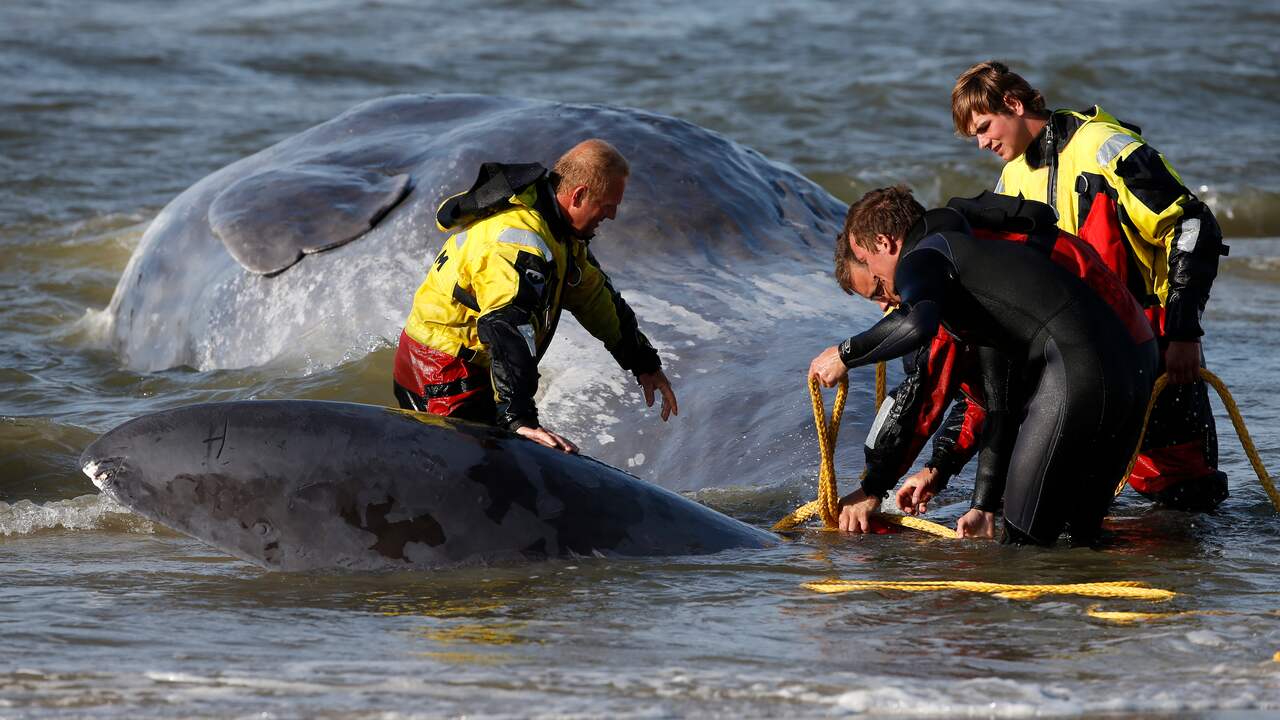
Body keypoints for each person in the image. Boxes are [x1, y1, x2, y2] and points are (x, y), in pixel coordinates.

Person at [939, 60, 1229, 511]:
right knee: (1076, 508)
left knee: (1185, 504)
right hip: (1076, 365)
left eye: (984, 127)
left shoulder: (1102, 146)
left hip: (1154, 352)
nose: (981, 143)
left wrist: (1184, 332)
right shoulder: (1011, 178)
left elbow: (1193, 225)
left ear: (1013, 104)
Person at [809, 186, 1158, 545]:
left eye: (880, 288)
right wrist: (983, 505)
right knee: (1078, 540)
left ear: (884, 244)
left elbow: (920, 345)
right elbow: (997, 401)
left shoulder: (926, 258)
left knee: (1024, 547)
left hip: (1080, 369)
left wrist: (844, 354)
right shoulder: (978, 262)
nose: (889, 303)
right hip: (1132, 369)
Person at [392, 139, 678, 453]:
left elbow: (597, 300)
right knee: (477, 469)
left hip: (477, 367)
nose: (611, 215)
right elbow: (506, 327)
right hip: (441, 369)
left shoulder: (562, 234)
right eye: (608, 204)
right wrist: (520, 420)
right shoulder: (518, 241)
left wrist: (644, 364)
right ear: (579, 195)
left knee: (506, 462)